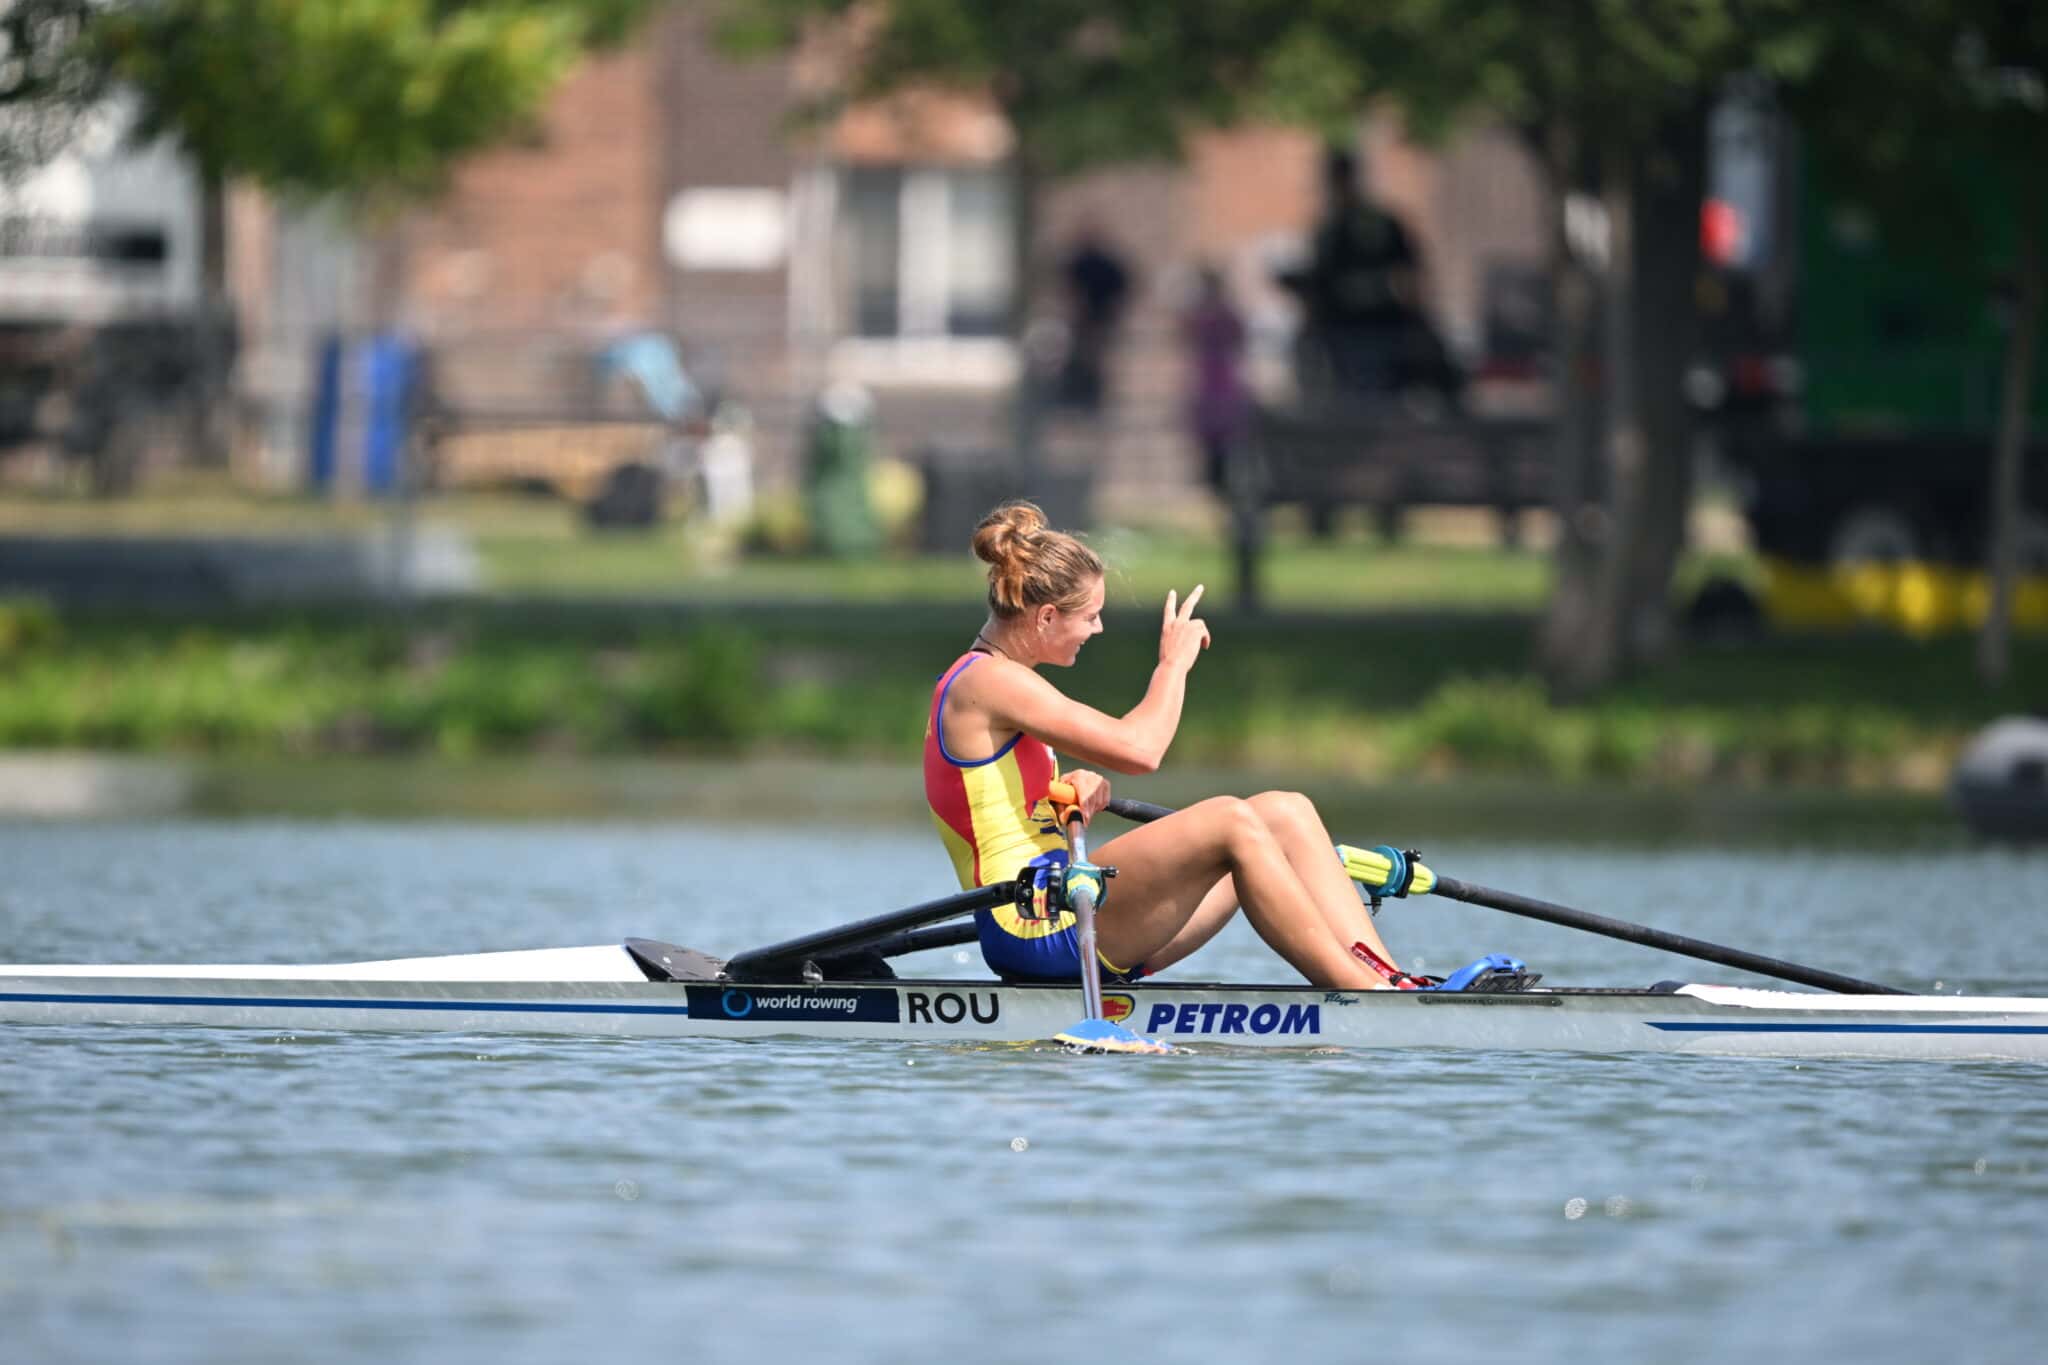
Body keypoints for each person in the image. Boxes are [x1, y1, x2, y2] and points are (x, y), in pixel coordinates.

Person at [923, 500, 1421, 990]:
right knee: (1229, 818)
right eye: (1091, 616)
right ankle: (1362, 995)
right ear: (1047, 617)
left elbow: (995, 803)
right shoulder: (988, 682)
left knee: (1285, 811)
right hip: (1034, 927)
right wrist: (1172, 665)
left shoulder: (997, 680)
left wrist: (1063, 789)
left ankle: (1387, 979)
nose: (1097, 629)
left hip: (1070, 905)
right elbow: (1140, 751)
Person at [1182, 264, 1252, 497]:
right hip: (1214, 375)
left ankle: (1219, 476)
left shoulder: (1207, 314)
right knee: (1216, 431)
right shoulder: (1216, 313)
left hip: (1215, 375)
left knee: (1221, 431)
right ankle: (1216, 475)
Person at [1055, 221, 1134, 413]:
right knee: (1083, 357)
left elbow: (1123, 285)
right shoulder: (1079, 261)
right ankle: (1079, 398)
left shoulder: (1103, 263)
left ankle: (1090, 399)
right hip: (1082, 318)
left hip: (1099, 317)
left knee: (1095, 358)